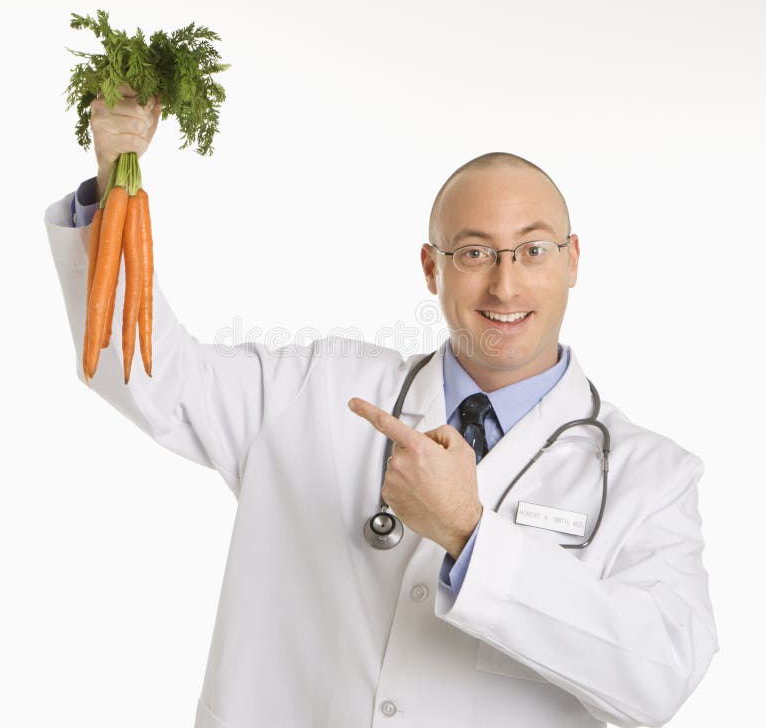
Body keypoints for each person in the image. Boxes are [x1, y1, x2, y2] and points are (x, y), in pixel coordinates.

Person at [44, 87, 718, 728]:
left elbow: (658, 678)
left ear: (573, 261)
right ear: (432, 268)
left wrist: (471, 535)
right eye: (475, 252)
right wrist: (116, 189)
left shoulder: (647, 476)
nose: (506, 283)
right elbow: (147, 376)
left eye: (534, 250)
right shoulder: (314, 391)